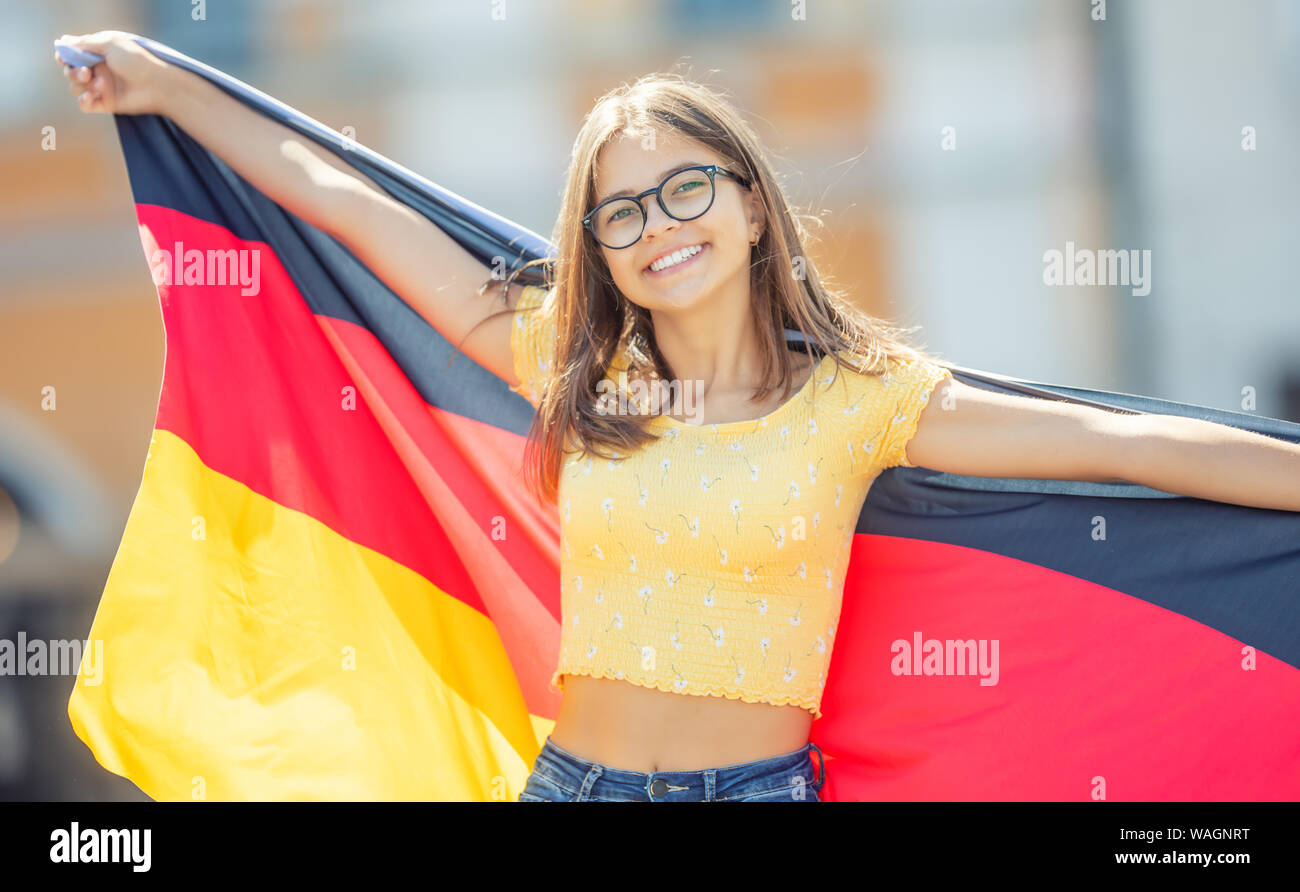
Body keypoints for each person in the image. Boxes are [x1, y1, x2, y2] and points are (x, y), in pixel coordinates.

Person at [56, 31, 1300, 803]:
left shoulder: (859, 402)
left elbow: (1128, 447)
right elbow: (353, 208)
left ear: (754, 206)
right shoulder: (569, 369)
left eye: (686, 189)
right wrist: (169, 85)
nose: (661, 228)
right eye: (623, 212)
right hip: (570, 790)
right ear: (597, 247)